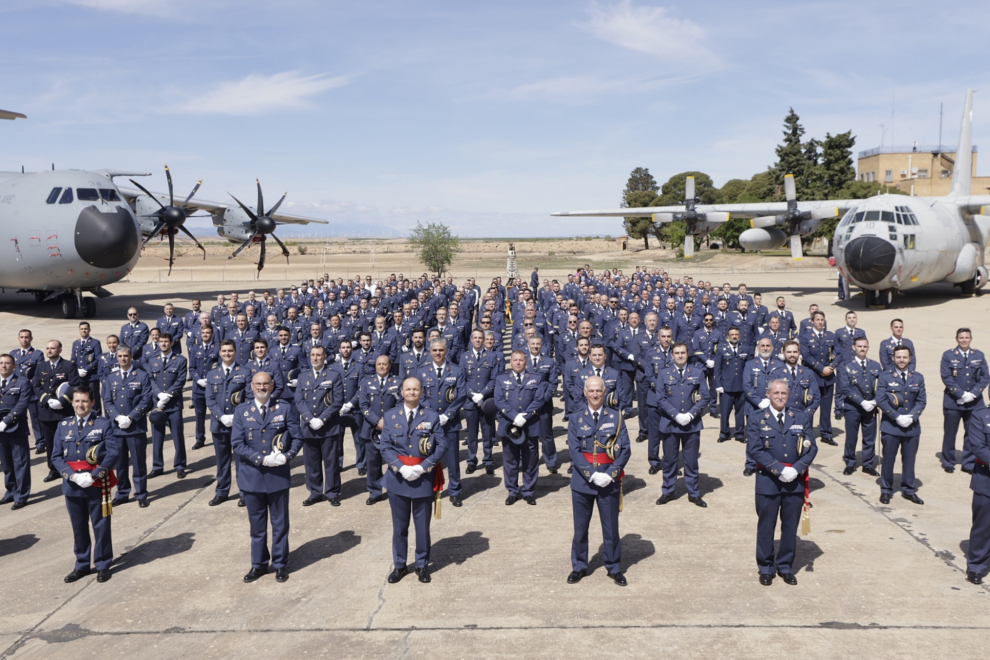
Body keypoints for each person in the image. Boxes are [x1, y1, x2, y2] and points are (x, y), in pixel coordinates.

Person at [232, 371, 302, 583]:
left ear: (272, 386)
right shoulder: (242, 411)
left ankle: (280, 564)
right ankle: (259, 564)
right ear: (251, 387)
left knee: (280, 524)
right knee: (257, 526)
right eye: (258, 384)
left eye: (265, 384)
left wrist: (287, 456)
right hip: (252, 477)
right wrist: (260, 460)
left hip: (277, 475)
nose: (262, 388)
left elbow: (298, 437)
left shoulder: (284, 408)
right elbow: (237, 443)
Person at [747, 379, 816, 586]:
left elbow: (811, 447)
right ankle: (766, 567)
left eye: (783, 393)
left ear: (788, 395)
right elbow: (755, 449)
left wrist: (796, 468)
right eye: (775, 393)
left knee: (789, 527)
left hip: (794, 481)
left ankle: (785, 566)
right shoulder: (756, 418)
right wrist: (779, 469)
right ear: (768, 394)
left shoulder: (801, 417)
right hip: (768, 480)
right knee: (766, 526)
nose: (779, 397)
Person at [380, 377, 446, 584]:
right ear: (401, 392)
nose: (411, 392)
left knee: (422, 527)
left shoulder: (432, 416)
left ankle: (422, 565)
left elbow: (441, 446)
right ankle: (399, 566)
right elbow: (385, 448)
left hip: (422, 479)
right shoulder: (390, 416)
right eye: (408, 389)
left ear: (421, 392)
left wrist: (422, 467)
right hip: (397, 480)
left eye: (415, 389)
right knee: (400, 527)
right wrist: (400, 468)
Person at [52, 385, 121, 584]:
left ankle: (102, 564)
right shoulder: (63, 425)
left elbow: (113, 452)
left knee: (101, 526)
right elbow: (56, 457)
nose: (80, 405)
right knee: (78, 527)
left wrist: (94, 475)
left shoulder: (103, 424)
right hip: (72, 485)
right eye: (76, 401)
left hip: (96, 483)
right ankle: (82, 564)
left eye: (84, 401)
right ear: (72, 402)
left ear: (92, 402)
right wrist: (72, 476)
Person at [566, 375, 630, 586]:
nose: (594, 394)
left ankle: (613, 567)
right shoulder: (576, 418)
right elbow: (574, 452)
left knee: (611, 528)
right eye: (591, 390)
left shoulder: (616, 417)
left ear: (604, 393)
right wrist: (591, 474)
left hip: (608, 481)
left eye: (598, 390)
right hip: (583, 482)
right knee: (580, 528)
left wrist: (610, 474)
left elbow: (625, 449)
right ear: (585, 392)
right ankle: (579, 566)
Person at [656, 343, 711, 507]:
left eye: (683, 353)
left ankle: (694, 493)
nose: (680, 356)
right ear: (671, 355)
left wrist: (690, 414)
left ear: (688, 354)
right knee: (670, 460)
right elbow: (660, 398)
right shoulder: (664, 373)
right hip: (670, 424)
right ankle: (668, 491)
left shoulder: (698, 372)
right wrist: (676, 415)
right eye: (676, 353)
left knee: (691, 461)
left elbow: (705, 397)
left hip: (691, 424)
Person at [417, 339, 466, 507]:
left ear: (446, 351)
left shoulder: (457, 370)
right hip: (429, 423)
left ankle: (455, 491)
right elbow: (419, 395)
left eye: (441, 350)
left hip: (450, 422)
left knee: (452, 459)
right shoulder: (422, 371)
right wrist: (432, 415)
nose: (437, 353)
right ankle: (430, 490)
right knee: (429, 458)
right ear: (430, 352)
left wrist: (447, 415)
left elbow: (461, 394)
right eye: (434, 350)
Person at [876, 346, 926, 505]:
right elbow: (881, 400)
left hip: (911, 427)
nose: (901, 360)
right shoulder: (885, 377)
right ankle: (886, 490)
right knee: (888, 460)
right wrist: (896, 417)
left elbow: (921, 401)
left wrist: (912, 416)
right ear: (893, 358)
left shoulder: (917, 378)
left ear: (910, 358)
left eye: (904, 357)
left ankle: (909, 490)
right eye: (898, 357)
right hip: (891, 426)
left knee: (910, 460)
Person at [295, 345, 344, 507]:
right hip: (309, 427)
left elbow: (337, 401)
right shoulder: (303, 376)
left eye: (318, 355)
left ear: (325, 357)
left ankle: (332, 492)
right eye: (312, 355)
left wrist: (322, 419)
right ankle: (315, 492)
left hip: (328, 426)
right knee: (312, 462)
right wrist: (309, 419)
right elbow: (299, 400)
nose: (315, 358)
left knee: (331, 462)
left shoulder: (334, 375)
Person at [494, 350, 546, 505]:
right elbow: (498, 400)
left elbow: (539, 399)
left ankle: (529, 491)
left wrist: (525, 416)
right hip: (509, 426)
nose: (518, 362)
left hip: (530, 425)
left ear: (526, 362)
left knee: (530, 460)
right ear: (511, 362)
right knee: (510, 460)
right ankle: (512, 491)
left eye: (521, 360)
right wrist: (514, 416)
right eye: (515, 360)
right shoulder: (501, 379)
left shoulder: (535, 379)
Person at [103, 347, 152, 508]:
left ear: (131, 356)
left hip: (135, 427)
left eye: (126, 356)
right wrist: (117, 417)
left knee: (138, 462)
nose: (123, 358)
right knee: (120, 463)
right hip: (117, 428)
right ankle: (122, 493)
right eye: (120, 356)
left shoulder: (142, 376)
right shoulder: (111, 378)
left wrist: (131, 417)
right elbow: (107, 401)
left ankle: (141, 494)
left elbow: (146, 400)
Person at [205, 340, 252, 507]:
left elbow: (249, 398)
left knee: (242, 460)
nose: (227, 354)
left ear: (235, 352)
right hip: (219, 424)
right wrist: (221, 416)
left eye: (230, 351)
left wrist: (236, 417)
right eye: (224, 351)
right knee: (222, 460)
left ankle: (244, 492)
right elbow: (209, 399)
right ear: (219, 352)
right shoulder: (212, 374)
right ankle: (222, 491)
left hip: (239, 426)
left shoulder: (245, 372)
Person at [940, 328, 989, 473]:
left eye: (967, 337)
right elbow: (946, 377)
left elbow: (985, 377)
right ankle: (948, 461)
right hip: (953, 402)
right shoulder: (948, 355)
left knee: (971, 434)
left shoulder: (979, 355)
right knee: (950, 433)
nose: (964, 340)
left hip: (974, 403)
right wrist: (961, 394)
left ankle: (968, 462)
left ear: (971, 339)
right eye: (961, 337)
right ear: (957, 339)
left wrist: (973, 394)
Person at [33, 340, 82, 482]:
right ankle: (53, 470)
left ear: (60, 350)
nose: (49, 351)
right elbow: (36, 386)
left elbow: (74, 385)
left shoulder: (68, 365)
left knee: (67, 442)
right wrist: (47, 399)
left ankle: (69, 468)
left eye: (53, 348)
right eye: (47, 348)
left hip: (63, 411)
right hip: (46, 411)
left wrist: (62, 400)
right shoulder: (40, 366)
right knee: (49, 443)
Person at [358, 355, 400, 504]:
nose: (381, 366)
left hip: (392, 429)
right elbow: (363, 405)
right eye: (379, 364)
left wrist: (386, 422)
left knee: (393, 461)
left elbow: (400, 405)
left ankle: (394, 490)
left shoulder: (397, 382)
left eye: (384, 364)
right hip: (371, 429)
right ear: (375, 366)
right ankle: (375, 492)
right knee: (373, 463)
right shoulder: (367, 382)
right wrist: (376, 421)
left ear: (389, 366)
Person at [147, 333, 188, 479]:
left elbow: (181, 380)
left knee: (177, 436)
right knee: (157, 438)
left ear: (171, 343)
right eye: (161, 341)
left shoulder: (180, 360)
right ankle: (157, 466)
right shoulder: (152, 360)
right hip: (157, 405)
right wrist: (159, 394)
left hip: (174, 404)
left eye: (166, 341)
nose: (163, 344)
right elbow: (150, 379)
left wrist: (168, 395)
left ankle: (180, 465)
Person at [838, 337, 881, 476]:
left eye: (864, 346)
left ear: (868, 348)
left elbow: (881, 386)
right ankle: (850, 462)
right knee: (851, 437)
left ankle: (868, 464)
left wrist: (874, 402)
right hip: (853, 408)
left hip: (870, 408)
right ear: (854, 348)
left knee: (869, 438)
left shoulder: (875, 365)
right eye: (859, 346)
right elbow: (845, 388)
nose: (862, 349)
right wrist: (862, 402)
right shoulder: (846, 366)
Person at [460, 330, 500, 475]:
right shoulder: (464, 357)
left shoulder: (491, 356)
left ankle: (488, 460)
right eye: (475, 338)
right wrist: (472, 395)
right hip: (470, 402)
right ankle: (471, 461)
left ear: (484, 340)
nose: (477, 340)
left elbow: (494, 379)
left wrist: (482, 394)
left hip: (486, 401)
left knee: (487, 432)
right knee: (472, 434)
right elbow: (462, 380)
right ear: (471, 340)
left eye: (480, 338)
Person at [800, 311, 838, 446]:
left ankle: (826, 434)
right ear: (812, 321)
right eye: (818, 319)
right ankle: (807, 434)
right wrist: (821, 368)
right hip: (812, 377)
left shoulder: (831, 336)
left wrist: (831, 367)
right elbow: (806, 355)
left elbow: (839, 354)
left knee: (826, 408)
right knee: (809, 407)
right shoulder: (805, 337)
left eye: (822, 319)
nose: (820, 322)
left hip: (828, 377)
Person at [0, 353, 33, 509]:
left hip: (16, 428)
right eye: (1, 363)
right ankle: (11, 491)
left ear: (14, 366)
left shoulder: (22, 382)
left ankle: (21, 495)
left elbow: (21, 405)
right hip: (0, 431)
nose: (3, 366)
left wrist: (6, 421)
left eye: (7, 363)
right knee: (6, 463)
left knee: (20, 463)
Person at [965, 405, 990, 584]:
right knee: (983, 527)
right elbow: (978, 447)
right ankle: (976, 566)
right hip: (986, 480)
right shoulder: (981, 415)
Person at [713, 327, 747, 443]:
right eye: (732, 334)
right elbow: (717, 369)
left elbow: (748, 369)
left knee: (740, 412)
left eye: (736, 334)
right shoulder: (722, 349)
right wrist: (718, 384)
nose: (734, 336)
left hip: (741, 386)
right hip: (726, 386)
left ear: (739, 335)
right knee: (725, 411)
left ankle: (739, 433)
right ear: (728, 336)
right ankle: (724, 433)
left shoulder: (744, 348)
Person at [12, 329, 44, 453]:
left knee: (35, 417)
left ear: (31, 339)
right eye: (22, 337)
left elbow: (39, 373)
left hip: (31, 392)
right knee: (18, 417)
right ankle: (18, 441)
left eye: (26, 337)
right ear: (18, 338)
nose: (24, 339)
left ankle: (40, 442)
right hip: (16, 392)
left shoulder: (37, 354)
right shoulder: (13, 354)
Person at [189, 324, 219, 450]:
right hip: (199, 389)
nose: (205, 335)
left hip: (213, 388)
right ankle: (200, 439)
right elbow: (192, 368)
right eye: (203, 333)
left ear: (212, 334)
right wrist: (198, 380)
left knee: (216, 415)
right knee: (199, 416)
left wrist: (210, 379)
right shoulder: (196, 349)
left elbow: (220, 367)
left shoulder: (217, 348)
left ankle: (217, 437)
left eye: (207, 332)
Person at [71, 322, 102, 415]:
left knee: (93, 398)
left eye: (85, 329)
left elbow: (98, 358)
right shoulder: (75, 343)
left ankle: (96, 417)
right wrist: (77, 370)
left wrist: (87, 369)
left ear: (89, 330)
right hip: (80, 377)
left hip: (92, 377)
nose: (83, 330)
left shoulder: (95, 342)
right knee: (81, 398)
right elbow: (73, 359)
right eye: (82, 329)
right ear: (79, 330)